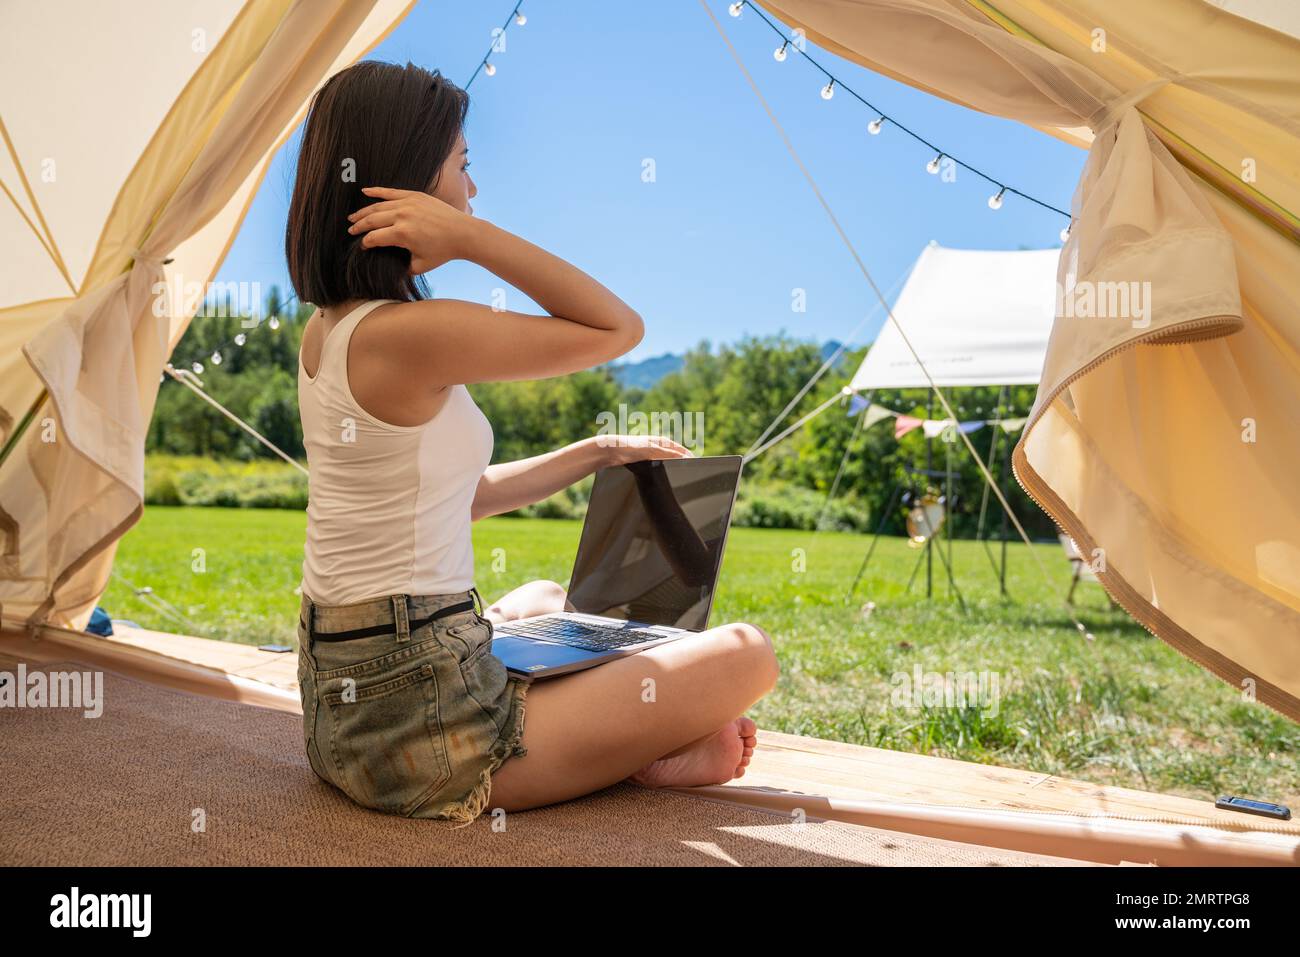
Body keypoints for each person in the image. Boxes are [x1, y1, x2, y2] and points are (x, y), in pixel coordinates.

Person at [287, 61, 778, 824]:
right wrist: (470, 240)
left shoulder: (329, 330)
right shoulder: (408, 334)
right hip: (426, 729)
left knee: (552, 601)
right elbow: (618, 328)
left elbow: (459, 500)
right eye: (462, 166)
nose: (472, 190)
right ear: (410, 179)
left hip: (344, 713)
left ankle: (623, 731)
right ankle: (642, 749)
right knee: (748, 652)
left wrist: (593, 452)